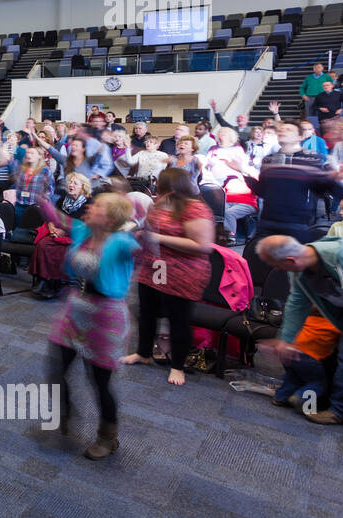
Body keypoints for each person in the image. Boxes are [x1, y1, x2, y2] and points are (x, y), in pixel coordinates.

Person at [39, 192, 140, 459]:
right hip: (77, 307)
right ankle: (67, 411)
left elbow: (138, 248)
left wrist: (147, 236)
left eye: (97, 206)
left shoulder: (120, 242)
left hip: (106, 316)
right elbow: (58, 218)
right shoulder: (84, 230)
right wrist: (42, 198)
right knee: (56, 367)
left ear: (109, 218)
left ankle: (108, 437)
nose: (90, 207)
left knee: (99, 381)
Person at [121, 168, 215, 387]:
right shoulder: (159, 204)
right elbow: (150, 229)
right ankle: (143, 353)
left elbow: (202, 245)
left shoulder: (196, 208)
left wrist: (158, 237)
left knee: (179, 319)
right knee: (147, 313)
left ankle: (177, 366)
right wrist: (141, 235)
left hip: (184, 271)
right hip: (154, 267)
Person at [256, 235, 343, 426]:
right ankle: (342, 411)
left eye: (277, 266)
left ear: (290, 260)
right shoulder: (299, 271)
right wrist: (286, 340)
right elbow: (297, 303)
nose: (278, 270)